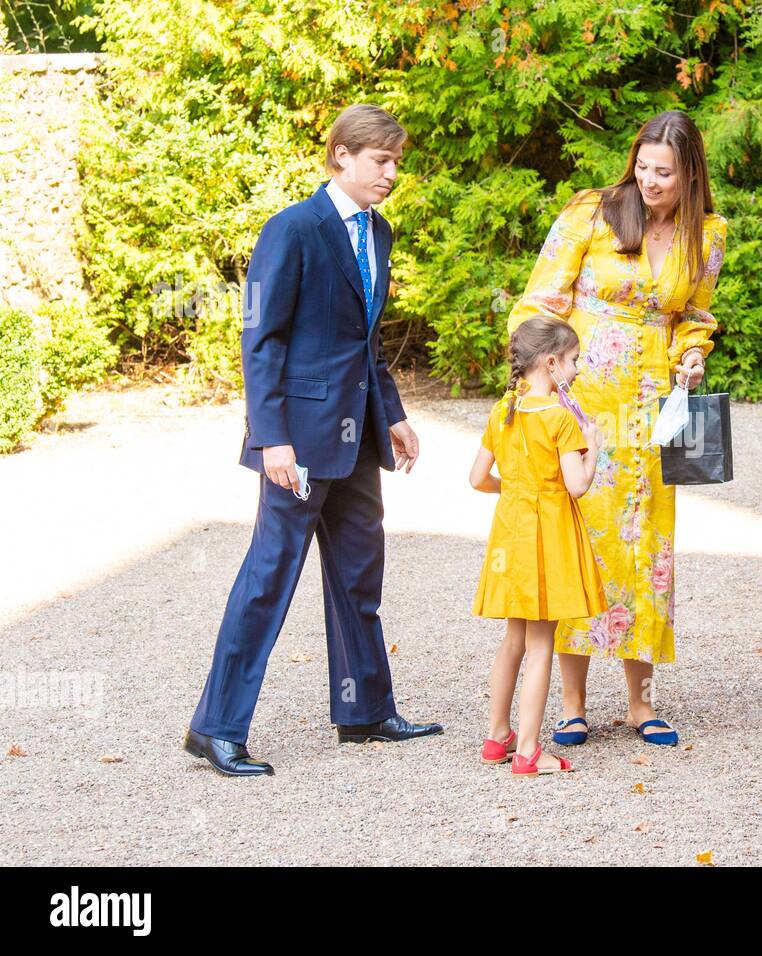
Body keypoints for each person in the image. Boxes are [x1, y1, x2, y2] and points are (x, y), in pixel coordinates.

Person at [183, 105, 442, 777]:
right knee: (269, 578)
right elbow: (259, 340)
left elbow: (366, 341)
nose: (392, 172)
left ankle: (363, 709)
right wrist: (271, 440)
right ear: (342, 157)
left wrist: (393, 413)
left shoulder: (378, 234)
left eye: (397, 161)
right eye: (381, 160)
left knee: (360, 577)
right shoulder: (292, 229)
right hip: (295, 444)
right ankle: (215, 729)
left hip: (356, 442)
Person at [505, 110, 727, 748]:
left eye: (666, 172)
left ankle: (640, 701)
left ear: (690, 175)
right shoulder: (592, 213)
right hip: (583, 399)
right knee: (581, 541)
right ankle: (572, 704)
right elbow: (540, 300)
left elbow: (695, 314)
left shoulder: (705, 235)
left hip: (656, 407)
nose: (650, 181)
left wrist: (692, 353)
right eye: (643, 166)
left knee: (646, 548)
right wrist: (538, 389)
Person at [470, 318, 607, 776]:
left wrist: (515, 490)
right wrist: (594, 451)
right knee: (541, 643)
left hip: (511, 533)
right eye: (572, 360)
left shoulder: (503, 410)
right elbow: (577, 486)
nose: (577, 368)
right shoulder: (561, 419)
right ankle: (529, 750)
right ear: (551, 362)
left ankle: (497, 737)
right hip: (547, 537)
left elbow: (477, 479)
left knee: (513, 638)